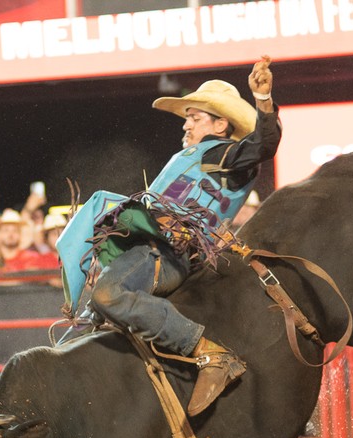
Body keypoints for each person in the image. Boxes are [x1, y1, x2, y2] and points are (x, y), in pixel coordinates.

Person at [58, 56, 280, 416]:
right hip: (148, 250)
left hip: (166, 254)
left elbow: (264, 145)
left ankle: (209, 352)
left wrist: (264, 100)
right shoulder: (196, 158)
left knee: (107, 295)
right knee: (81, 331)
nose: (186, 125)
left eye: (195, 118)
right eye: (187, 118)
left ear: (221, 124)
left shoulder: (222, 155)